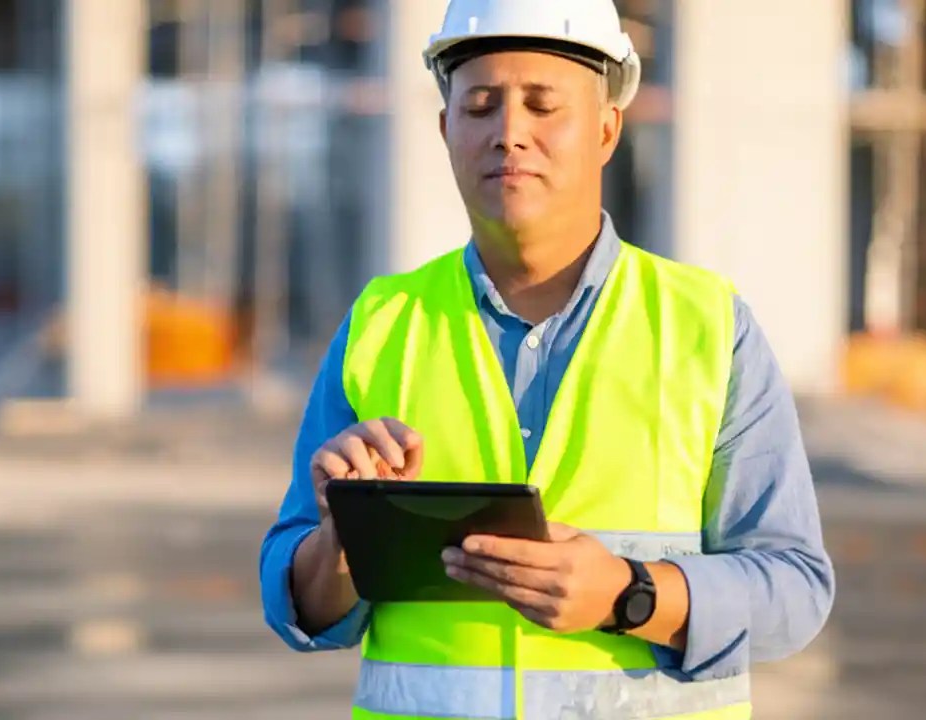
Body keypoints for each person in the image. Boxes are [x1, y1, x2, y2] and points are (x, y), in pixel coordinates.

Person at [258, 1, 835, 718]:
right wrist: (340, 542)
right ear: (445, 130)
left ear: (606, 129)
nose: (509, 132)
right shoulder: (382, 323)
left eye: (542, 105)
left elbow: (794, 587)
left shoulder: (708, 326)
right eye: (480, 105)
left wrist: (628, 594)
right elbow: (297, 602)